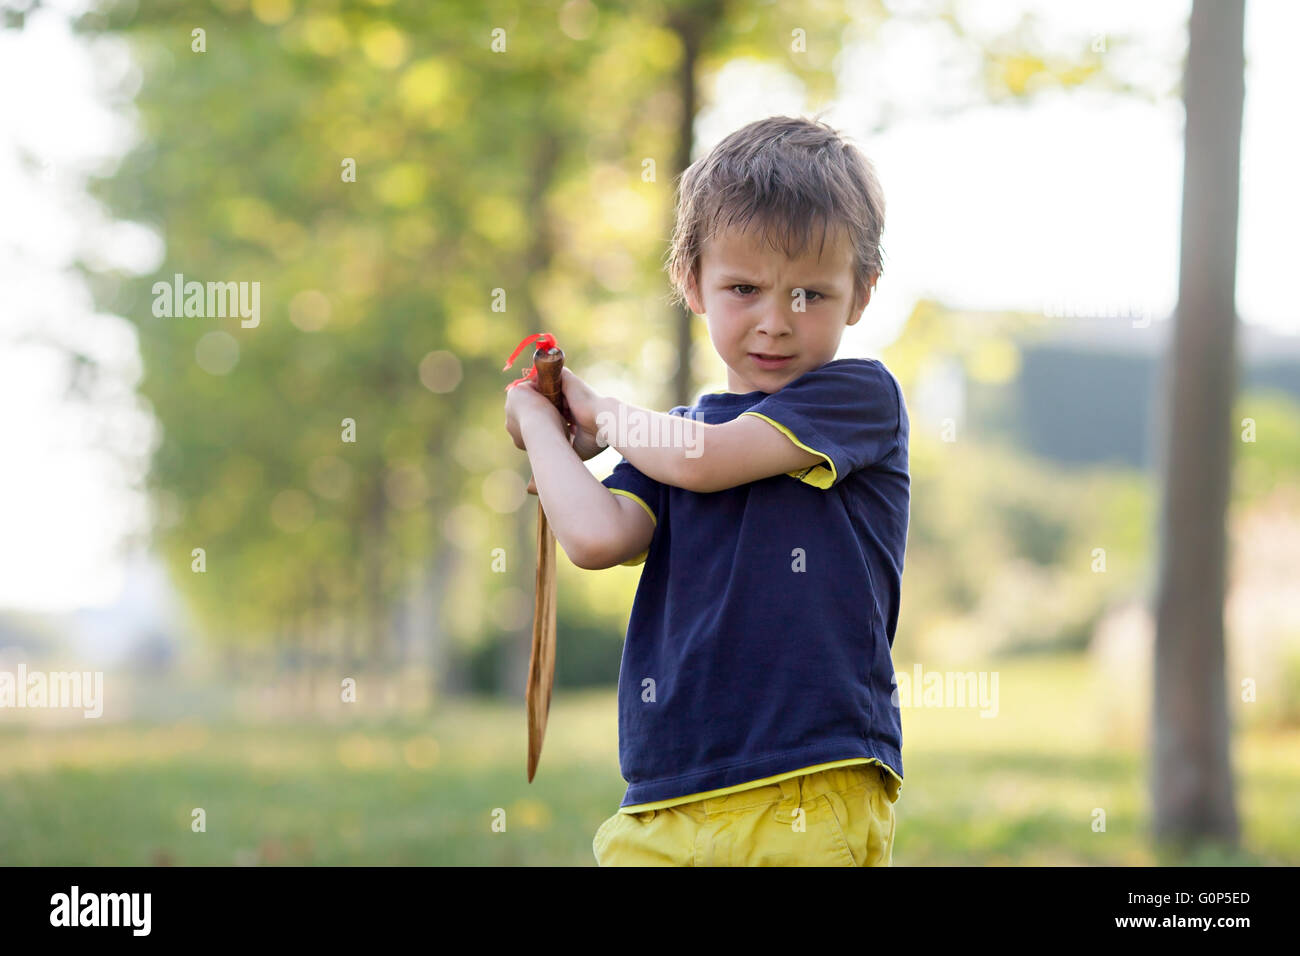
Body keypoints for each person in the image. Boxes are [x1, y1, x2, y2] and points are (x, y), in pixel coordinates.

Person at [504, 115, 909, 866]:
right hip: (666, 795)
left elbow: (705, 459)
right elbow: (595, 537)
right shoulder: (670, 439)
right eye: (745, 288)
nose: (775, 323)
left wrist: (599, 414)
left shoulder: (857, 398)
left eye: (811, 295)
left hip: (805, 784)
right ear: (691, 282)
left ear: (861, 294)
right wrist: (540, 424)